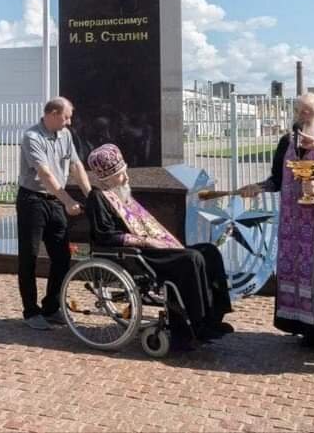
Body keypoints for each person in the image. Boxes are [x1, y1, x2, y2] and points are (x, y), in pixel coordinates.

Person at [238, 93, 314, 357]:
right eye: (299, 111)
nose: (303, 115)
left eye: (308, 110)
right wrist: (258, 188)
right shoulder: (287, 142)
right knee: (301, 277)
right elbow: (276, 179)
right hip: (293, 225)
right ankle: (310, 331)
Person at [86, 144, 233, 346]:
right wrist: (146, 241)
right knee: (191, 258)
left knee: (209, 251)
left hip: (149, 249)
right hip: (135, 255)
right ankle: (194, 325)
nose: (126, 177)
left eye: (125, 172)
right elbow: (105, 236)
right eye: (120, 174)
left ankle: (213, 316)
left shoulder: (122, 194)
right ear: (107, 177)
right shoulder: (98, 197)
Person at [16, 97, 91, 330]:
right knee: (29, 256)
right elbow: (45, 174)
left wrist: (91, 196)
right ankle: (31, 312)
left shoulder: (65, 136)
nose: (69, 123)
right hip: (33, 200)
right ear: (53, 113)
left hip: (55, 201)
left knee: (61, 256)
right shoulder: (32, 137)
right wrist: (68, 200)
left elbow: (76, 166)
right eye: (66, 117)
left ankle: (51, 307)